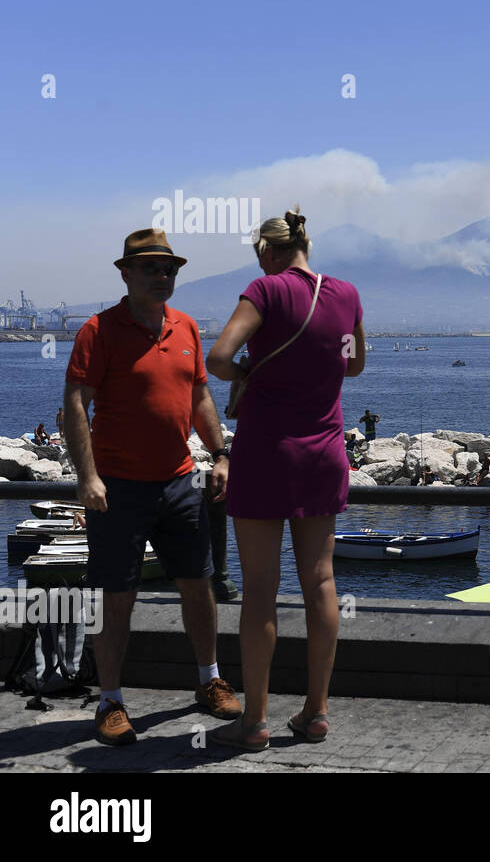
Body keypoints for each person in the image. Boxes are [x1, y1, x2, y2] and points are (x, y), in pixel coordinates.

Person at [63, 228, 241, 747]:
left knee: (199, 585)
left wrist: (221, 453)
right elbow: (76, 403)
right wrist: (87, 476)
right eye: (151, 268)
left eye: (169, 269)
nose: (163, 277)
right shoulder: (99, 330)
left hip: (180, 481)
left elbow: (201, 396)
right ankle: (111, 701)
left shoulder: (185, 326)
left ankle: (209, 680)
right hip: (117, 487)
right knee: (116, 597)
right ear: (125, 273)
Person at [206, 208, 365, 750]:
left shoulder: (266, 290)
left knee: (259, 590)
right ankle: (316, 713)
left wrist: (251, 373)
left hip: (266, 454)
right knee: (321, 581)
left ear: (267, 253)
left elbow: (219, 358)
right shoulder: (346, 294)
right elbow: (356, 364)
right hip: (324, 453)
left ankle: (253, 723)